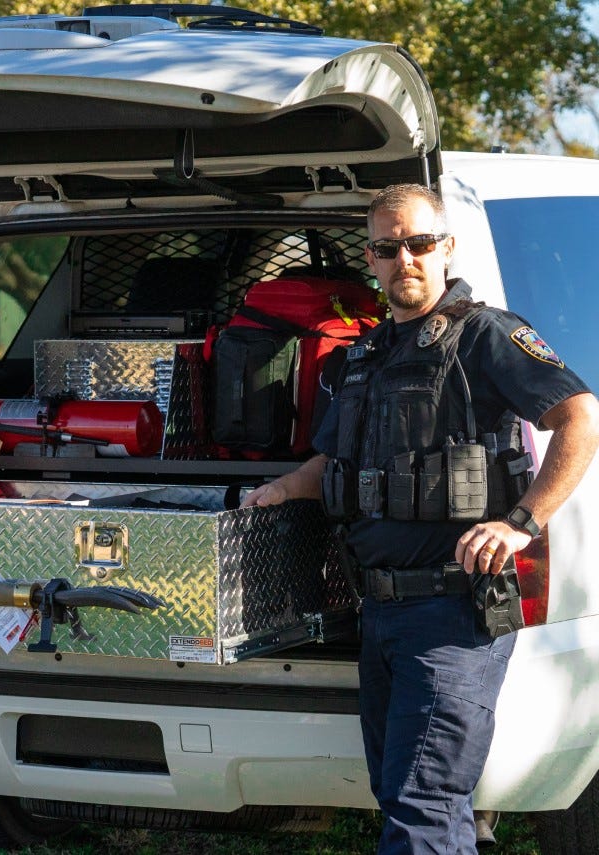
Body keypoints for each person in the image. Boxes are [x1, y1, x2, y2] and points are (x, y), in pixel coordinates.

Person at [243, 183, 599, 852]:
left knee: (421, 806)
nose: (404, 258)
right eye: (386, 247)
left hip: (453, 615)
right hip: (377, 613)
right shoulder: (366, 356)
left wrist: (523, 520)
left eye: (419, 243)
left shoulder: (488, 336)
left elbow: (580, 417)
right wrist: (284, 488)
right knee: (407, 795)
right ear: (371, 261)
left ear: (445, 248)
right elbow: (332, 463)